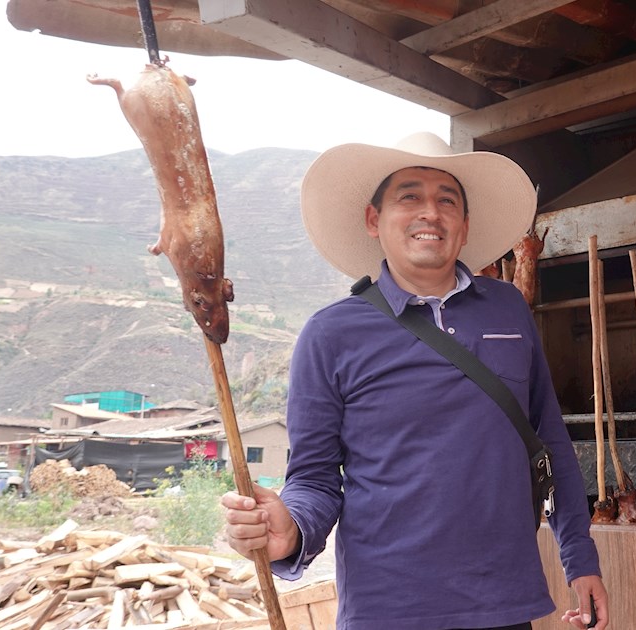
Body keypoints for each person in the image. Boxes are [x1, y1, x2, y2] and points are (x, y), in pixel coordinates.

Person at [221, 133, 608, 630]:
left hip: (505, 603)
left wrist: (579, 557)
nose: (431, 212)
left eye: (447, 200)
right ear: (373, 219)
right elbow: (315, 478)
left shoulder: (508, 307)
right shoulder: (331, 333)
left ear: (464, 226)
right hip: (389, 609)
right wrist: (291, 529)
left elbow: (548, 442)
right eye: (409, 197)